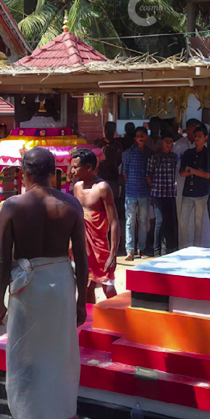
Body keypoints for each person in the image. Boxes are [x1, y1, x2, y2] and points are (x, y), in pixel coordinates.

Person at [0, 147, 88, 419]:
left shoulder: (11, 206)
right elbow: (82, 260)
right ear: (54, 173)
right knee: (60, 357)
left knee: (26, 357)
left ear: (24, 174)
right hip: (60, 286)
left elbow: (3, 260)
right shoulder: (71, 205)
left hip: (27, 288)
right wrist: (81, 301)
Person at [70, 148, 120, 303]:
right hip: (81, 245)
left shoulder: (102, 188)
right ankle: (87, 322)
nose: (72, 171)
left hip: (100, 246)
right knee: (86, 286)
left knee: (108, 285)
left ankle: (118, 320)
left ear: (89, 168)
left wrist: (113, 252)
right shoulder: (77, 187)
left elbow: (114, 221)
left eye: (75, 167)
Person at [146, 129, 179, 257]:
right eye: (166, 142)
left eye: (171, 143)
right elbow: (148, 175)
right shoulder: (154, 158)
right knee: (159, 221)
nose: (168, 145)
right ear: (161, 143)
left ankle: (166, 249)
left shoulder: (174, 157)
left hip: (170, 194)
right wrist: (152, 190)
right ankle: (156, 249)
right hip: (157, 194)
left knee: (168, 221)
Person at [122, 127, 152, 260]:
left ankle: (142, 248)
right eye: (138, 136)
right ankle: (130, 250)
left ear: (147, 138)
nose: (140, 138)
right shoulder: (128, 153)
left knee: (143, 221)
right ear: (135, 139)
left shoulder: (149, 153)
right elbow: (125, 173)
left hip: (144, 191)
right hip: (131, 191)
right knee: (130, 221)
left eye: (143, 136)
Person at [96, 121, 125, 255]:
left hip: (113, 179)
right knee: (101, 211)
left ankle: (115, 244)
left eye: (112, 129)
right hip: (100, 179)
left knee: (114, 211)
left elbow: (120, 162)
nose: (109, 132)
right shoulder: (98, 143)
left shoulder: (118, 145)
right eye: (107, 129)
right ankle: (102, 243)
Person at [179, 124, 210, 248]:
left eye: (199, 136)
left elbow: (208, 175)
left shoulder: (208, 153)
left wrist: (191, 170)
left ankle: (197, 247)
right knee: (183, 221)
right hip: (188, 192)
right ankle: (185, 246)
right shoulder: (188, 153)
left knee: (199, 222)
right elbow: (182, 173)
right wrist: (195, 171)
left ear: (205, 138)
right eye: (195, 136)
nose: (197, 138)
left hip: (202, 192)